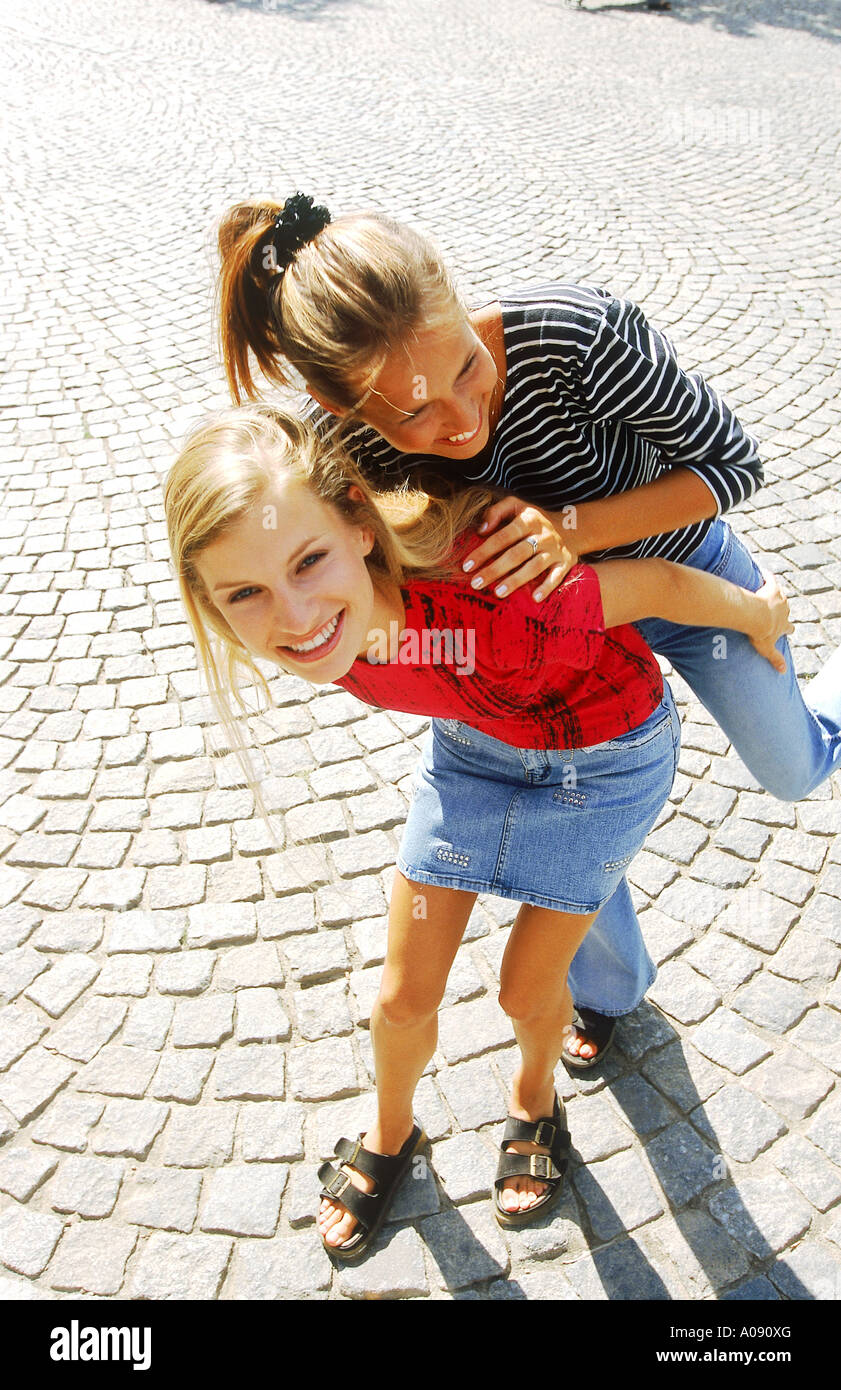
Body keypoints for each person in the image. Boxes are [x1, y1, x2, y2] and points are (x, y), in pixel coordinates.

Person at [214, 193, 841, 1070]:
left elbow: (733, 464)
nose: (461, 423)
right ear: (340, 405)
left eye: (468, 369)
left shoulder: (578, 336)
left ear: (459, 301)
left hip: (678, 569)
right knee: (574, 811)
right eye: (413, 415)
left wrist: (570, 530)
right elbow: (335, 571)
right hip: (549, 647)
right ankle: (608, 995)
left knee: (791, 768)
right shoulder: (341, 447)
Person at [164, 403, 791, 1255]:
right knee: (399, 997)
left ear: (356, 524)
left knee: (524, 991)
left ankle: (535, 1101)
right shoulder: (324, 630)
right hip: (474, 749)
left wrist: (756, 617)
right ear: (210, 599)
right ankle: (391, 1135)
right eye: (246, 593)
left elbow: (658, 587)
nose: (295, 617)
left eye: (308, 561)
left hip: (601, 763)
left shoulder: (495, 595)